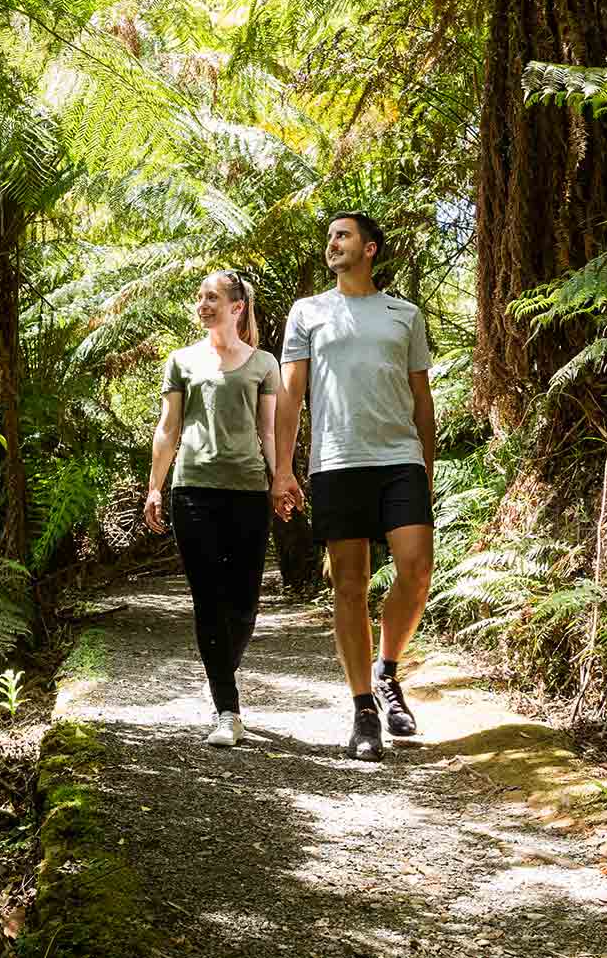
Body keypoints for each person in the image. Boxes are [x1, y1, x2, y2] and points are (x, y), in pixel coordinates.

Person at [272, 213, 435, 761]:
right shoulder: (307, 313)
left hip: (400, 459)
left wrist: (425, 466)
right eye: (328, 238)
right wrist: (283, 468)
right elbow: (292, 396)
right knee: (350, 584)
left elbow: (421, 398)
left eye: (342, 236)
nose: (332, 245)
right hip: (337, 461)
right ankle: (365, 706)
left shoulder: (404, 315)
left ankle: (388, 669)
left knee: (416, 570)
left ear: (370, 249)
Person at [145, 270, 282, 747]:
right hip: (193, 491)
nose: (203, 305)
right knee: (208, 599)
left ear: (237, 307)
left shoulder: (264, 363)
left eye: (212, 298)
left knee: (244, 604)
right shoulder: (182, 361)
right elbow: (168, 426)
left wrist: (281, 476)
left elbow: (269, 431)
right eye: (199, 297)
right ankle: (228, 708)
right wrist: (155, 485)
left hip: (247, 490)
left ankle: (218, 669)